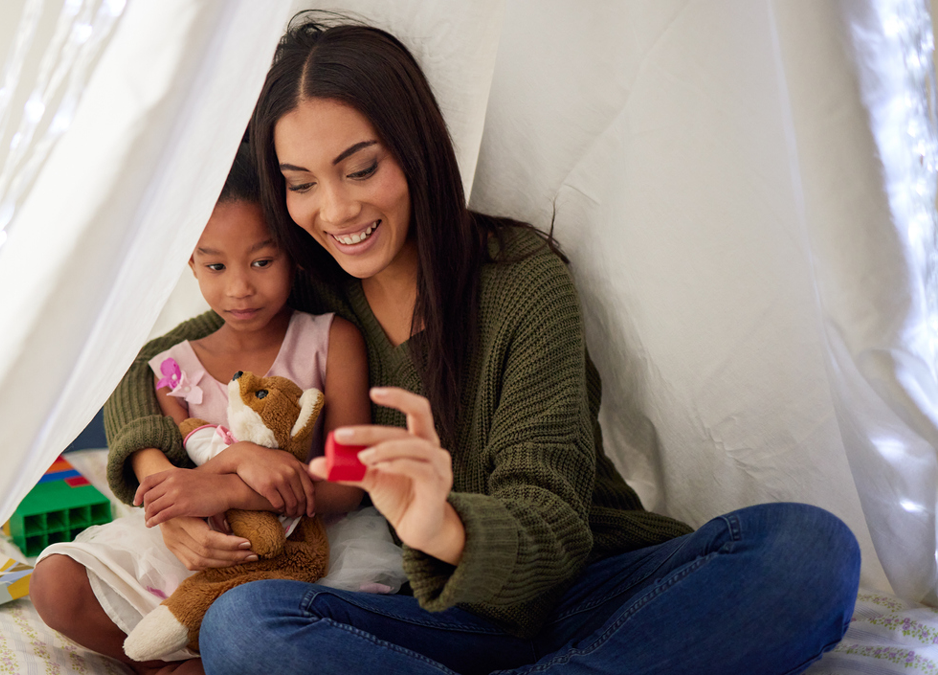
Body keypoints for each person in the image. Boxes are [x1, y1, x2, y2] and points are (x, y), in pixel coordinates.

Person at [102, 17, 861, 675]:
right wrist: (159, 478)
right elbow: (144, 368)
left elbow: (555, 524)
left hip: (595, 587)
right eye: (301, 184)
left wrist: (442, 524)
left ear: (416, 147)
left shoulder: (520, 282)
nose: (335, 209)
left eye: (361, 168)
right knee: (245, 627)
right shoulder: (308, 294)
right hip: (445, 620)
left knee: (808, 550)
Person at [30, 142, 403, 673]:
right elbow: (177, 483)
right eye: (215, 264)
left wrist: (228, 484)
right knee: (54, 584)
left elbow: (346, 485)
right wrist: (196, 501)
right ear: (190, 262)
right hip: (204, 550)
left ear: (292, 252)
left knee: (278, 622)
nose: (239, 287)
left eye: (262, 260)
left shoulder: (331, 339)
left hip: (306, 548)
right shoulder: (172, 369)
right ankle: (165, 663)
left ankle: (211, 657)